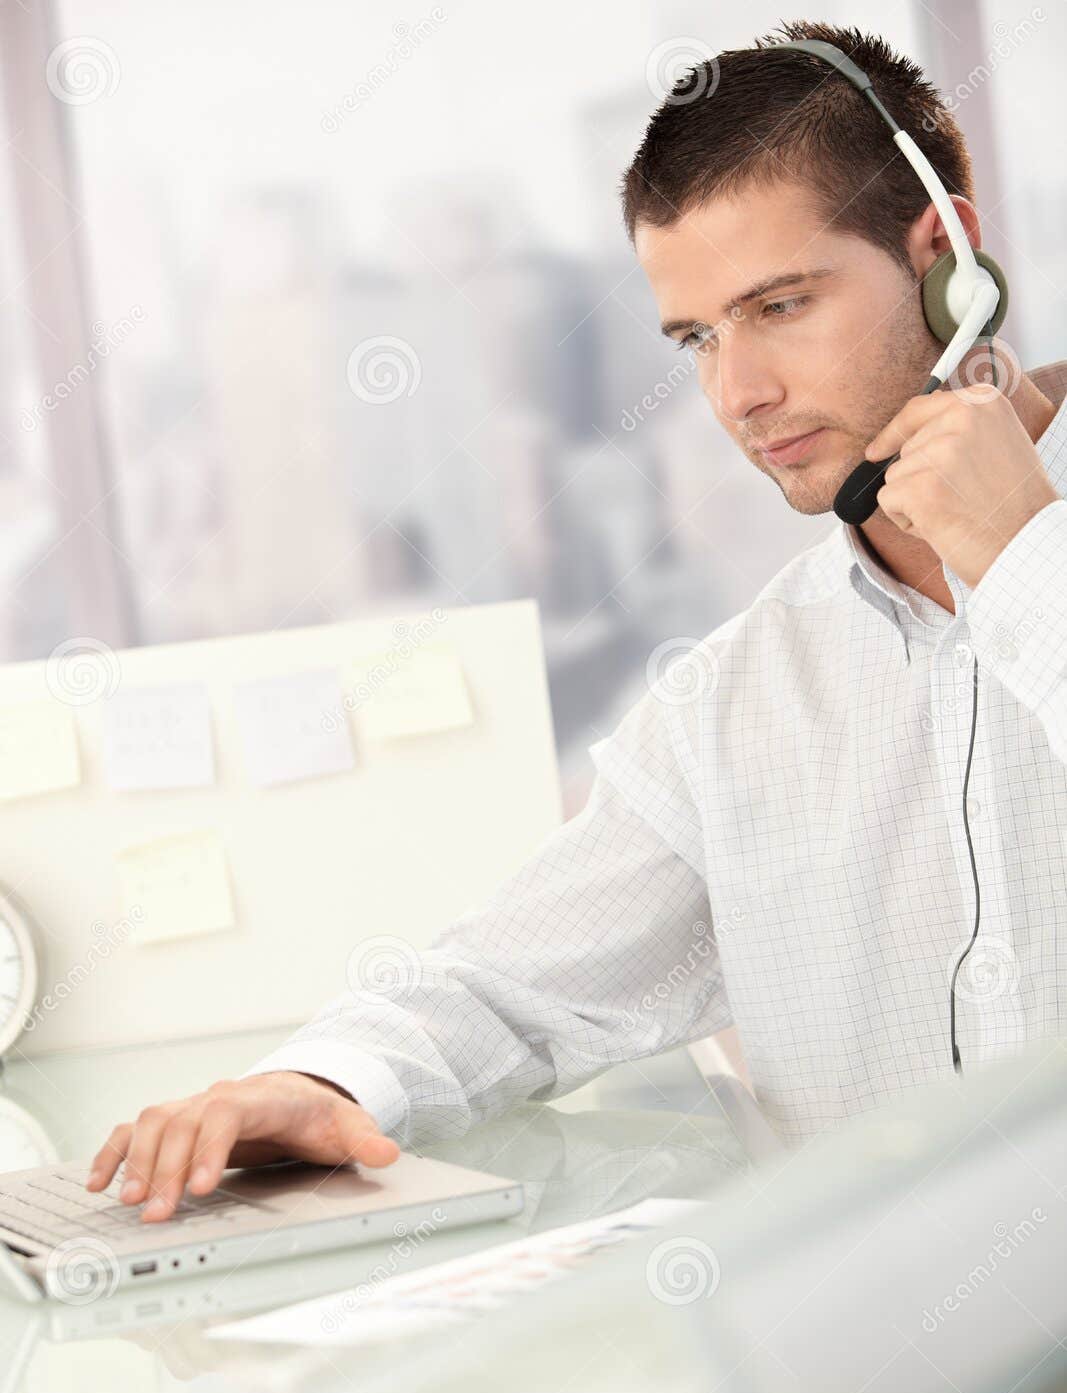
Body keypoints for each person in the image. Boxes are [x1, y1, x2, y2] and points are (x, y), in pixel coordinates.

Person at [89, 21, 1067, 1223]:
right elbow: (509, 984)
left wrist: (1025, 565)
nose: (735, 392)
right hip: (907, 1376)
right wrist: (311, 1079)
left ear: (946, 257)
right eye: (697, 337)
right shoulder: (736, 696)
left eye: (779, 304)